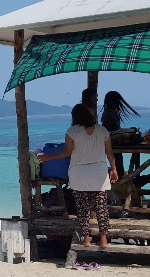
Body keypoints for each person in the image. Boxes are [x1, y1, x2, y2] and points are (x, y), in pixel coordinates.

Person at [38, 104, 118, 247]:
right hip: (99, 173)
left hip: (79, 174)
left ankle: (86, 239)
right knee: (101, 207)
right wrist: (113, 169)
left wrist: (49, 157)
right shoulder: (102, 130)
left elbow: (67, 152)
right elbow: (109, 152)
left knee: (83, 208)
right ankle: (104, 239)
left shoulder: (72, 131)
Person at [101, 90, 140, 177]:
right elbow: (110, 132)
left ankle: (121, 178)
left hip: (112, 143)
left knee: (118, 162)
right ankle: (121, 179)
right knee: (118, 162)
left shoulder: (110, 112)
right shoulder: (109, 114)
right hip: (111, 143)